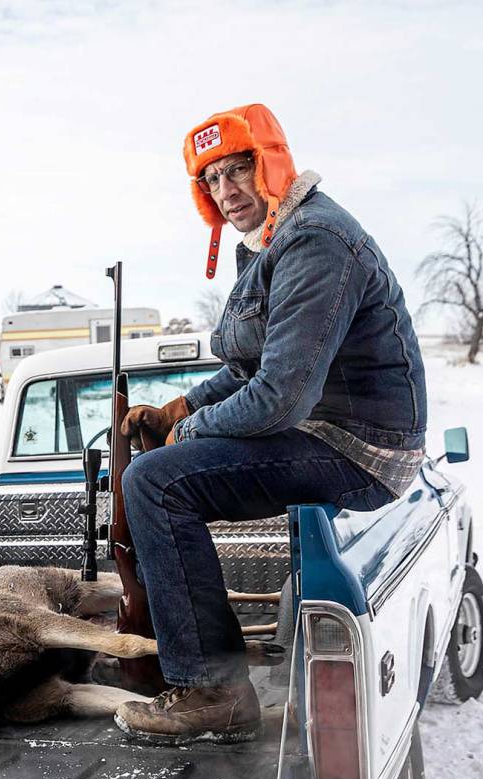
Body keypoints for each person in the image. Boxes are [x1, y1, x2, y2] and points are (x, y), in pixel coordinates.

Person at [114, 104, 427, 745]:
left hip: (362, 448)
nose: (227, 192)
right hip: (324, 429)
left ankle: (214, 692)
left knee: (157, 482)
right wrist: (181, 408)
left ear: (272, 166)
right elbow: (252, 367)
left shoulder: (315, 241)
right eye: (212, 181)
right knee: (157, 471)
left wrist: (187, 434)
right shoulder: (274, 243)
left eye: (238, 171)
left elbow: (279, 398)